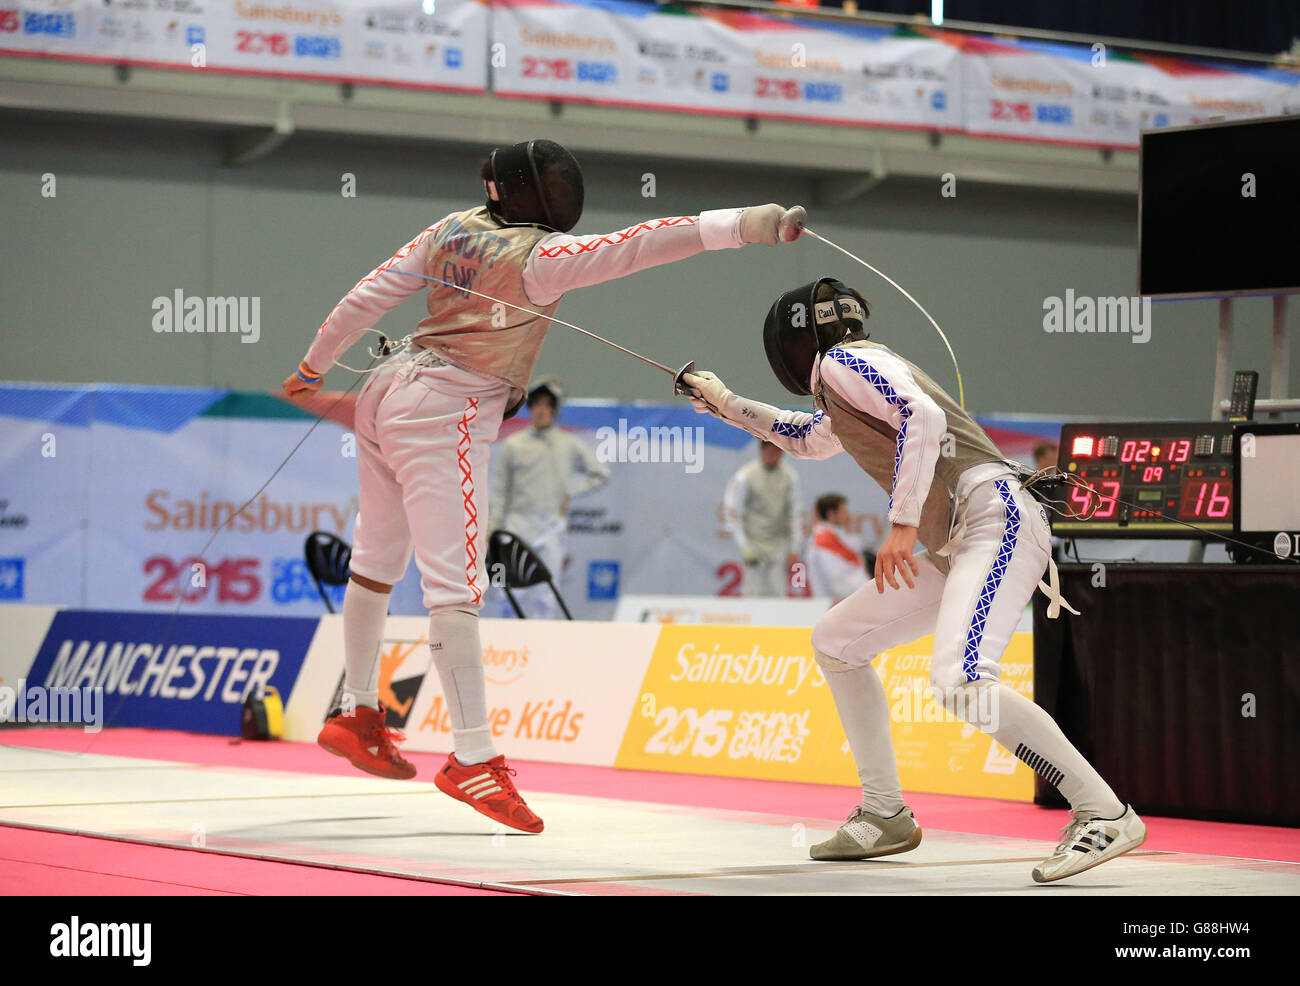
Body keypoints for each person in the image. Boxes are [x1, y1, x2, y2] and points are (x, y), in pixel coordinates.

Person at [283, 138, 804, 833]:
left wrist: (312, 368)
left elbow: (368, 294)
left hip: (384, 391)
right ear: (523, 192)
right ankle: (470, 759)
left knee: (376, 562)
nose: (560, 194)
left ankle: (356, 712)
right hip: (446, 409)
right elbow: (644, 243)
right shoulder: (541, 258)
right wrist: (751, 223)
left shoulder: (449, 229)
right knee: (456, 589)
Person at [679, 275, 1145, 883]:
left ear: (796, 341)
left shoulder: (846, 361)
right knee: (837, 642)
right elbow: (808, 438)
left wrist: (900, 525)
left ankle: (1104, 813)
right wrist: (726, 402)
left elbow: (921, 415)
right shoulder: (851, 380)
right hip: (961, 536)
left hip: (993, 518)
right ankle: (885, 811)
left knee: (961, 681)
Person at [490, 379, 610, 617]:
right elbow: (500, 490)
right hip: (517, 528)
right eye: (537, 404)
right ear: (531, 407)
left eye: (547, 405)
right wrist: (492, 531)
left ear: (554, 409)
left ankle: (542, 649)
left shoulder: (569, 443)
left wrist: (571, 492)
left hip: (551, 529)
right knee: (510, 594)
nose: (542, 410)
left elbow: (600, 474)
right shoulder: (514, 445)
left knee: (547, 594)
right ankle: (511, 646)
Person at [723, 439, 801, 596]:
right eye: (770, 451)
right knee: (752, 595)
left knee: (778, 593)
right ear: (762, 451)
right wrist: (744, 545)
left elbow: (795, 514)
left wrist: (794, 548)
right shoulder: (745, 476)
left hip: (778, 543)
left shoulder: (789, 476)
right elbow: (732, 512)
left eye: (778, 452)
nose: (774, 456)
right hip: (753, 543)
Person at [807, 493, 869, 603]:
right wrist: (867, 592)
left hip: (846, 600)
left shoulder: (836, 538)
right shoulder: (824, 542)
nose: (848, 515)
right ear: (831, 514)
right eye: (844, 511)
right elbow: (835, 581)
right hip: (836, 603)